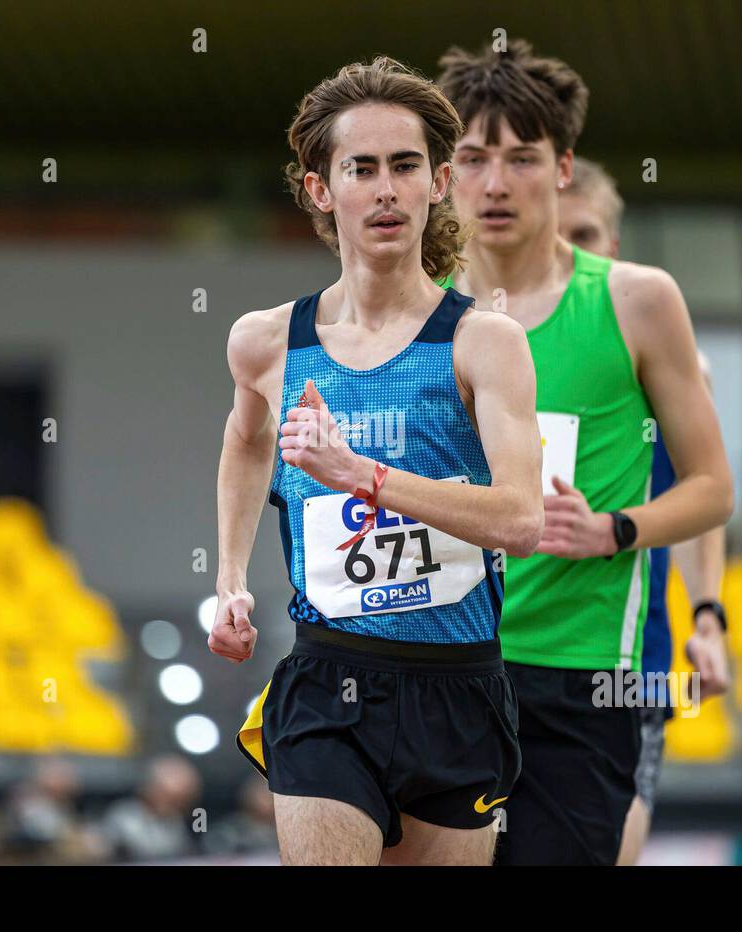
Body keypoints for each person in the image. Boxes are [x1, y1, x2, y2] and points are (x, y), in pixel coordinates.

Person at [213, 55, 543, 865]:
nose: (386, 189)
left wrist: (359, 474)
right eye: (362, 168)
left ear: (438, 183)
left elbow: (523, 521)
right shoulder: (265, 342)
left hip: (460, 687)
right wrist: (227, 578)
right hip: (330, 683)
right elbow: (247, 441)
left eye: (405, 167)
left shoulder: (484, 343)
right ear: (322, 190)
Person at [437, 40, 733, 865]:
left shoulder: (637, 302)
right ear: (442, 173)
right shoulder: (417, 318)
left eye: (522, 158)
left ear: (562, 167)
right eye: (471, 158)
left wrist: (616, 530)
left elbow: (713, 489)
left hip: (584, 680)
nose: (495, 185)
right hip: (442, 668)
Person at [558, 158, 731, 865]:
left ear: (614, 246)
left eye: (587, 234)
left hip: (627, 663)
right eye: (558, 235)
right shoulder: (488, 349)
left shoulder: (663, 358)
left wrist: (709, 616)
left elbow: (701, 498)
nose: (572, 251)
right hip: (496, 658)